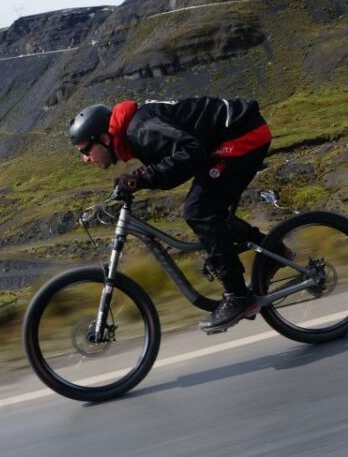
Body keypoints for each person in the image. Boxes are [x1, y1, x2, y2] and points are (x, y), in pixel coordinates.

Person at [69, 97, 280, 333]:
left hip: (243, 134)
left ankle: (238, 296)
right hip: (225, 138)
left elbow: (191, 151)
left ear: (104, 138)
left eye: (86, 150)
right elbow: (173, 163)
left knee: (199, 211)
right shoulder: (133, 132)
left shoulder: (140, 130)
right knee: (209, 209)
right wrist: (140, 179)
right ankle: (272, 251)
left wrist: (142, 177)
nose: (85, 159)